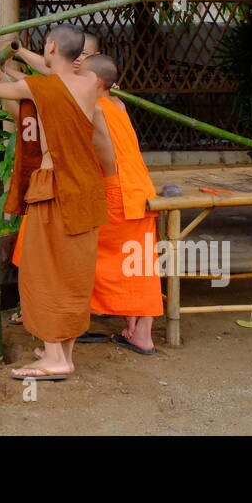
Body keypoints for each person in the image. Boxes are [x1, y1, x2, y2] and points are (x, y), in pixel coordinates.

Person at [0, 24, 106, 380]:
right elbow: (54, 74)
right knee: (73, 270)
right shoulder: (90, 84)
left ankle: (57, 360)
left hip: (55, 186)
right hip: (86, 188)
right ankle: (61, 349)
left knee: (45, 271)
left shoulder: (39, 87)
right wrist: (22, 57)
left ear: (53, 46)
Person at [1, 30, 99, 324]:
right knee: (47, 258)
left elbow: (51, 74)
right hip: (65, 184)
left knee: (59, 262)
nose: (79, 60)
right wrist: (15, 55)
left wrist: (11, 63)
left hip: (74, 184)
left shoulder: (89, 83)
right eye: (78, 55)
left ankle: (57, 327)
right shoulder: (77, 83)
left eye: (86, 56)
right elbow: (50, 72)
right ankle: (47, 321)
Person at [80, 54, 162, 354]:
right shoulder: (118, 104)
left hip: (118, 194)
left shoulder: (93, 108)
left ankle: (87, 322)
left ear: (97, 82)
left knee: (96, 259)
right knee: (138, 263)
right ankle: (138, 331)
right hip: (140, 190)